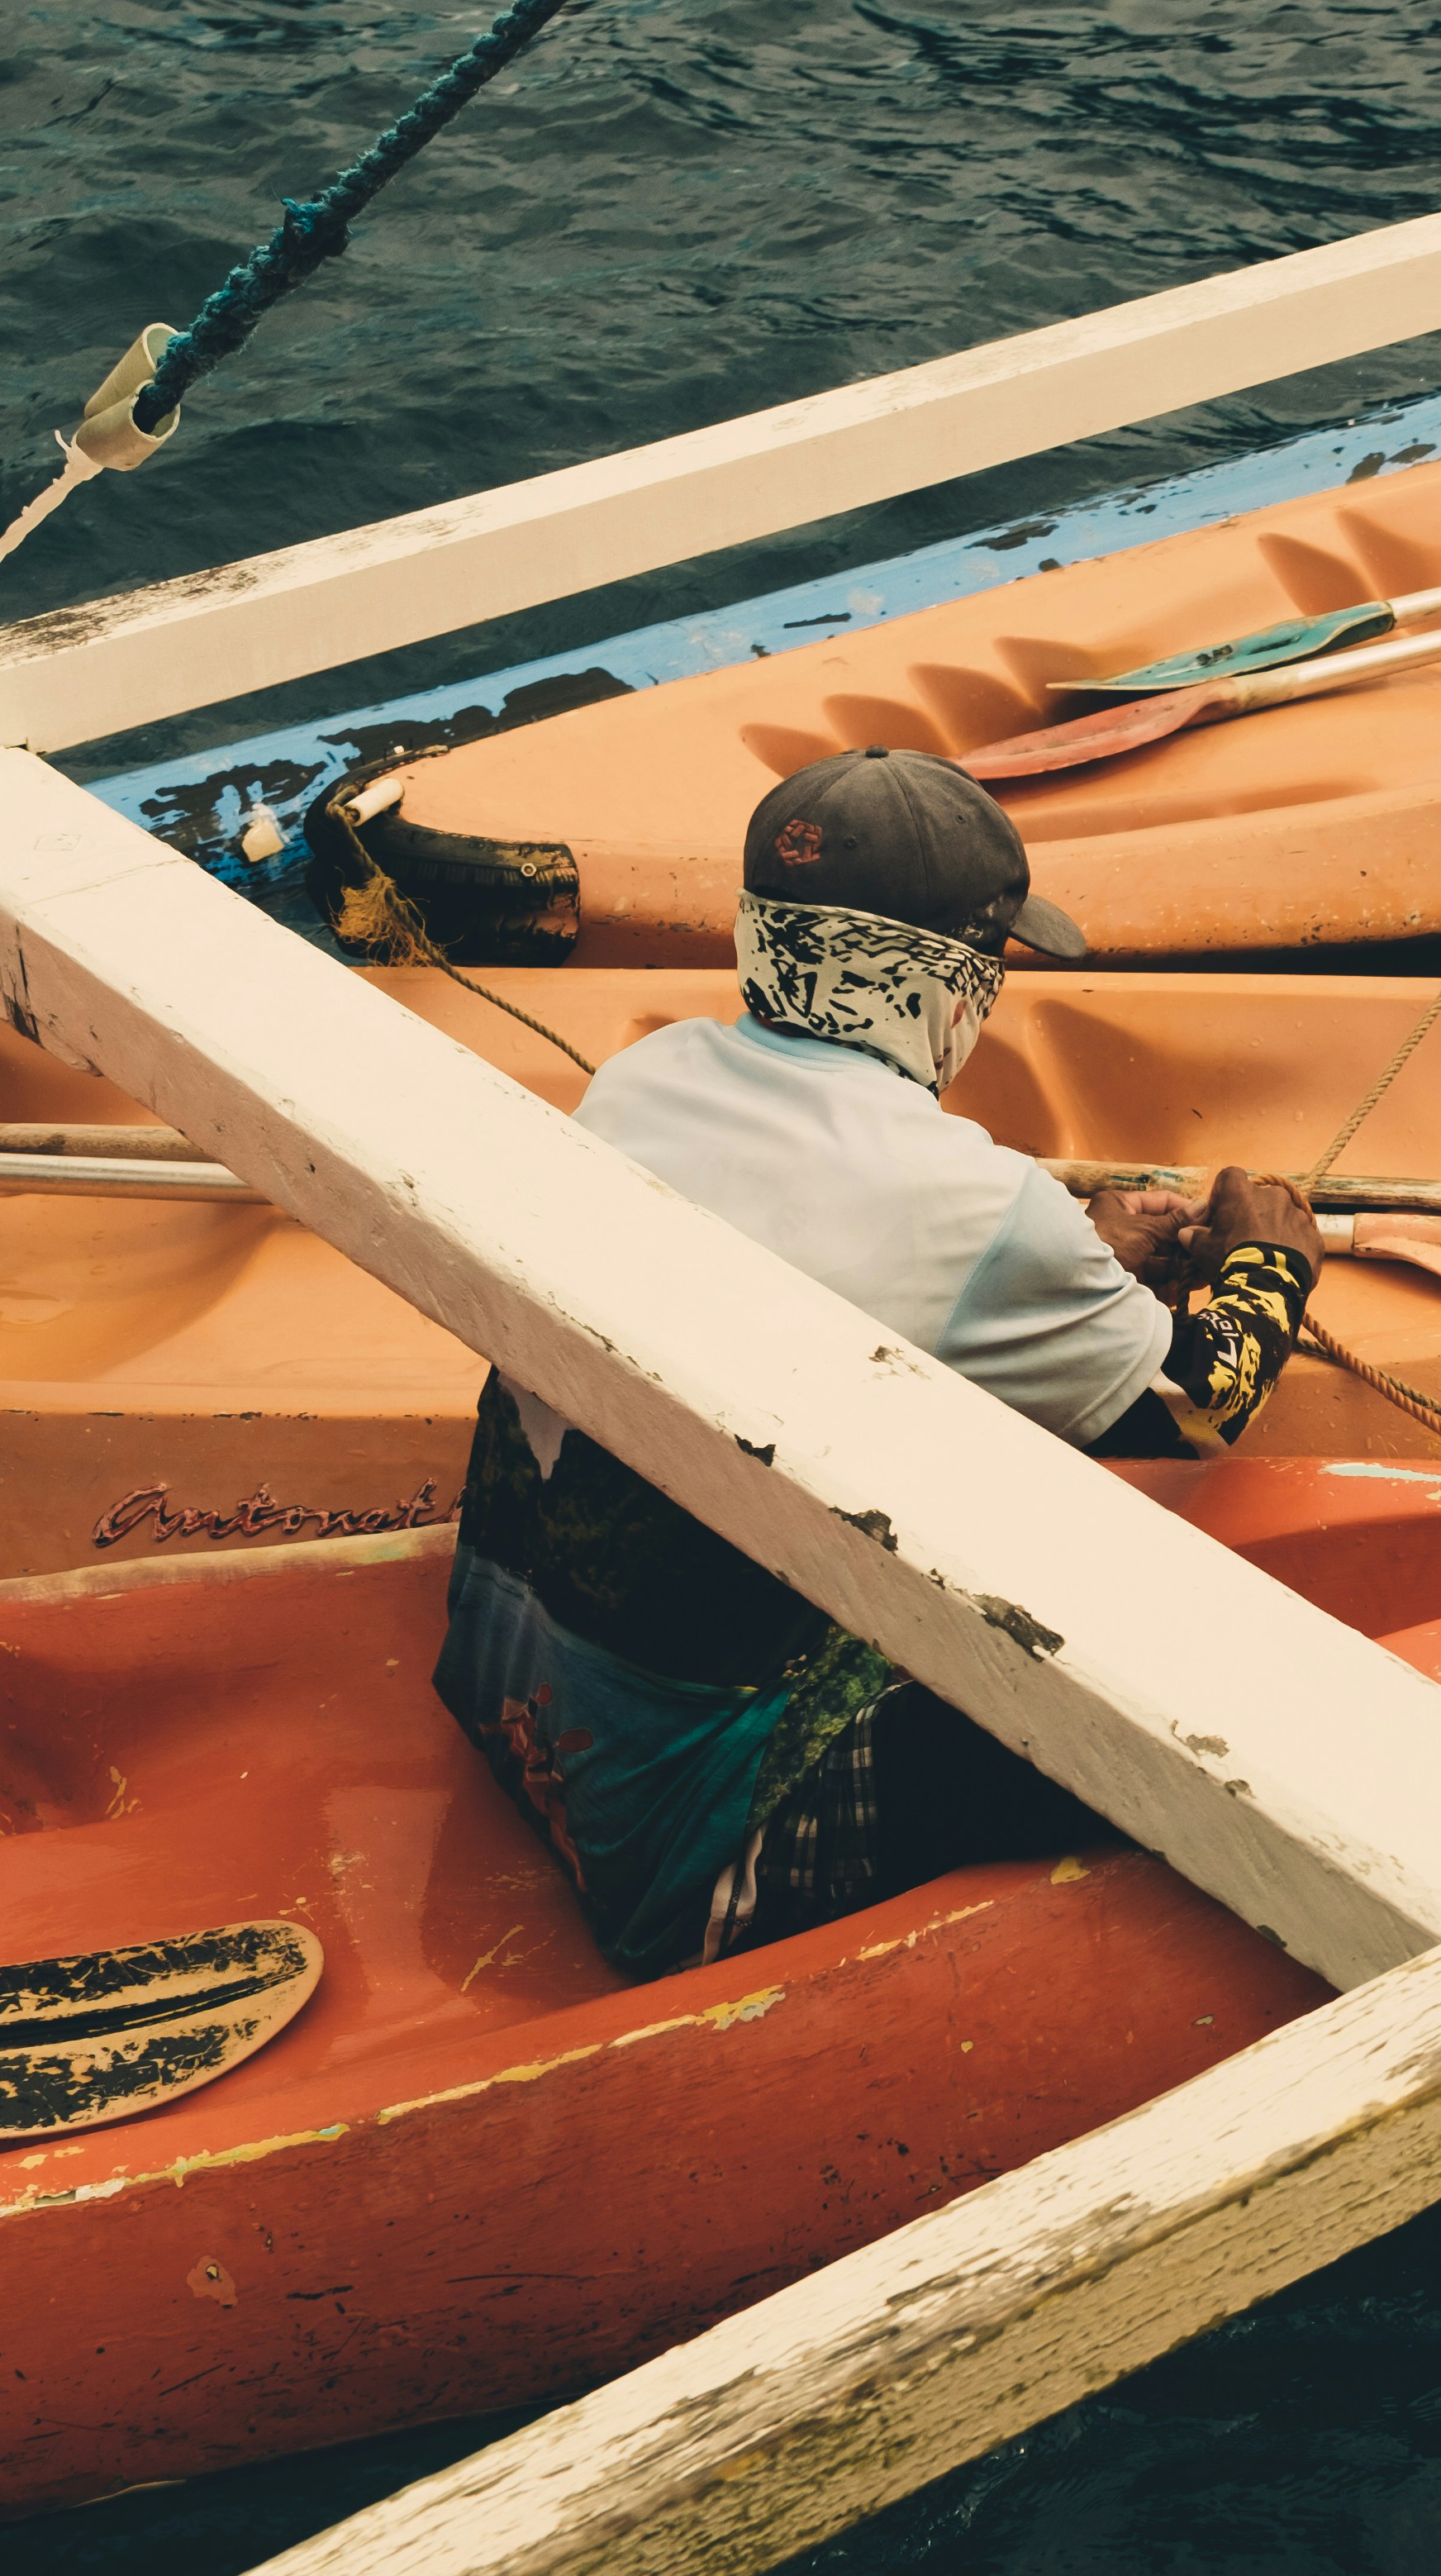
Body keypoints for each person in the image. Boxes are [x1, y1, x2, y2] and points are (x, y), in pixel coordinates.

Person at [434, 746, 1324, 1977]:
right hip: (675, 1841)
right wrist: (1271, 1262)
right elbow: (1197, 1410)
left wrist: (1077, 1259)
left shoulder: (646, 1079)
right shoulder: (983, 1206)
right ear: (949, 980)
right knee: (1208, 1698)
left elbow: (845, 1249)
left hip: (503, 1691)